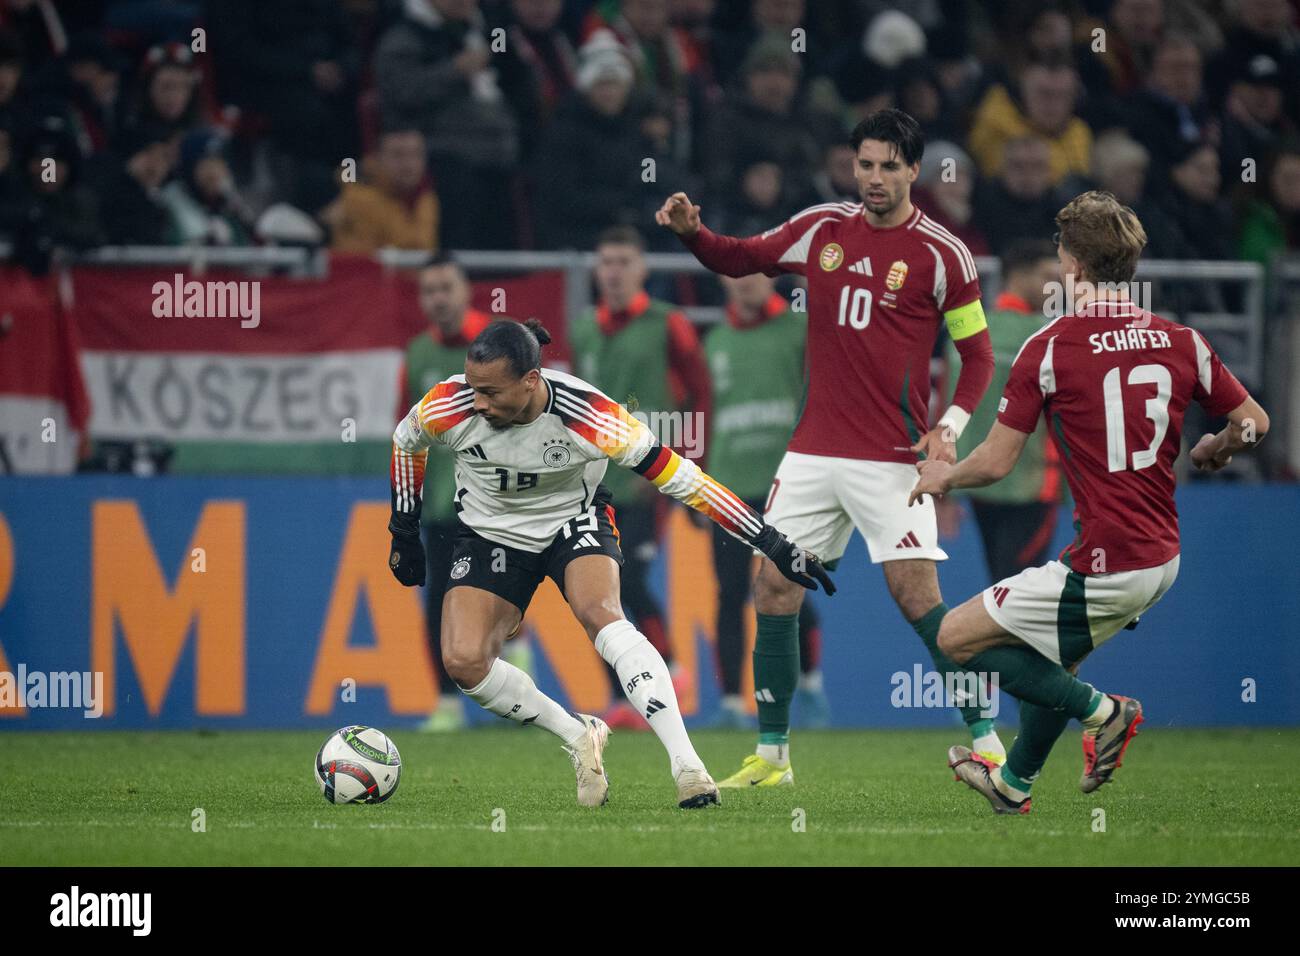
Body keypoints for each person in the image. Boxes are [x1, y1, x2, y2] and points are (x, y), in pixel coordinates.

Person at [658, 108, 1001, 788]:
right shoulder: (822, 229)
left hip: (894, 457)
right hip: (813, 452)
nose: (872, 178)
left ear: (912, 170)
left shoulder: (944, 255)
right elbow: (742, 257)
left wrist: (951, 427)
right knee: (773, 585)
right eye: (863, 165)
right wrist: (695, 234)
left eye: (886, 167)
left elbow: (979, 358)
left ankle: (987, 740)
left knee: (917, 599)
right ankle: (773, 757)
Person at [909, 191, 1269, 813]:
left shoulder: (1048, 348)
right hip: (1162, 560)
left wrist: (941, 477)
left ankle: (1106, 712)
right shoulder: (1181, 339)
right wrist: (1217, 447)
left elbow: (995, 462)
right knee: (1053, 660)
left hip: (1107, 562)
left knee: (953, 639)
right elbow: (1254, 422)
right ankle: (1012, 784)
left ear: (1071, 266)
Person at [387, 319, 834, 808]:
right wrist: (404, 529)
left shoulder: (592, 415)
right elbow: (406, 443)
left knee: (603, 615)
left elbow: (686, 481)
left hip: (572, 521)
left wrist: (770, 541)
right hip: (489, 532)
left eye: (491, 392)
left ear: (532, 380)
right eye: (473, 388)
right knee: (464, 662)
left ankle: (688, 767)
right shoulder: (448, 404)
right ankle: (578, 736)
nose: (478, 402)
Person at [567, 225, 711, 729]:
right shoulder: (584, 329)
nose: (614, 271)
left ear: (643, 269)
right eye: (606, 261)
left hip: (648, 478)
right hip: (590, 481)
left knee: (627, 576)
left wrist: (692, 471)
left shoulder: (669, 324)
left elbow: (700, 395)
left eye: (624, 261)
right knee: (589, 587)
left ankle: (667, 666)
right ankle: (622, 695)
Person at [705, 272, 828, 728]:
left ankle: (812, 688)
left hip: (787, 483)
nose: (743, 284)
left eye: (752, 274)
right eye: (733, 276)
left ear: (771, 277)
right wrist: (703, 489)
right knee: (729, 594)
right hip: (730, 488)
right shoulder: (715, 338)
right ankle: (731, 705)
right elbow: (710, 413)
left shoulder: (800, 328)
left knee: (788, 584)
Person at [399, 253, 493, 732]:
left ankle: (508, 679)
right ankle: (446, 703)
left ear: (465, 290)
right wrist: (405, 510)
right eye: (428, 290)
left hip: (494, 498)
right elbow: (405, 434)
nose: (438, 298)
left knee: (500, 591)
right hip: (438, 503)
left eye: (445, 288)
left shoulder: (496, 344)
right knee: (438, 599)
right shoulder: (417, 353)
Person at [945, 240, 1064, 583]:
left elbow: (947, 406)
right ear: (1018, 276)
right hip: (1034, 484)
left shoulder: (969, 330)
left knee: (1001, 587)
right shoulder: (1048, 335)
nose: (1054, 286)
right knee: (1017, 591)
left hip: (980, 482)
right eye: (1047, 276)